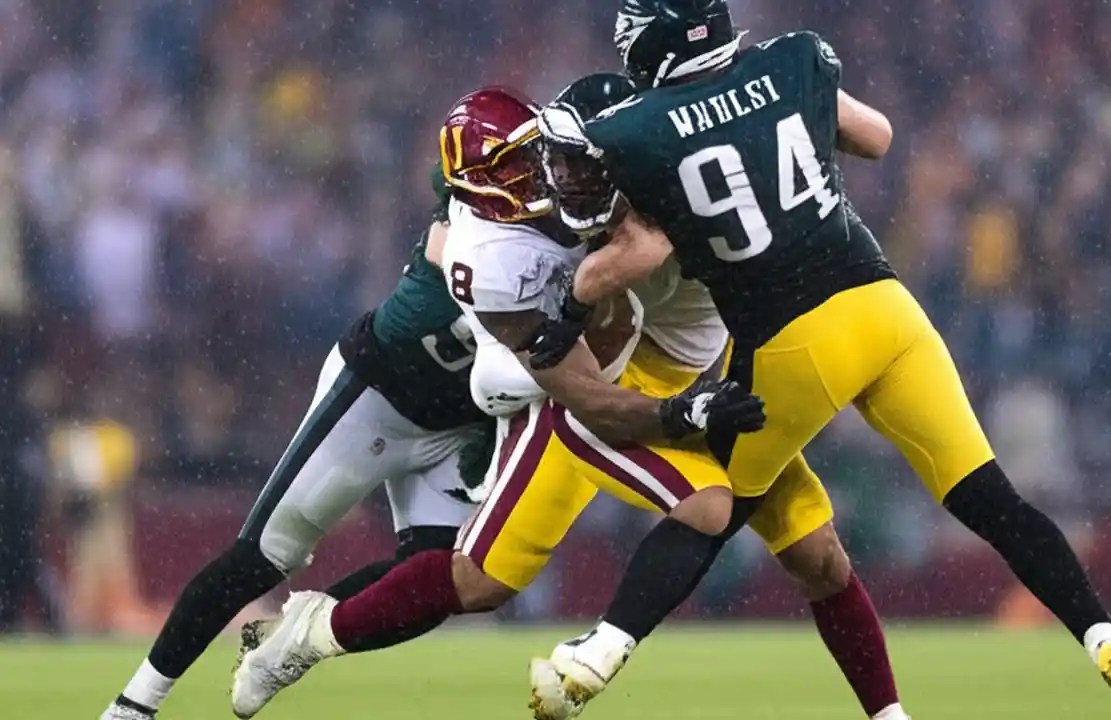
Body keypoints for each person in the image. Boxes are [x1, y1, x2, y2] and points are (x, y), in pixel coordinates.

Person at [524, 3, 1111, 720]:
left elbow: (636, 249)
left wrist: (568, 308)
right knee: (992, 499)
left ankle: (596, 656)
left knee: (710, 510)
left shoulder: (635, 129)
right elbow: (876, 136)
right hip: (884, 307)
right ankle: (1102, 636)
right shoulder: (794, 60)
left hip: (791, 337)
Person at [231, 79, 910, 720]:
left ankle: (890, 714)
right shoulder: (503, 246)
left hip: (705, 374)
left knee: (817, 555)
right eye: (565, 162)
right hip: (597, 395)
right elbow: (581, 387)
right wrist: (678, 406)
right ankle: (318, 636)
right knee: (509, 571)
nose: (571, 180)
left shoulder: (680, 168)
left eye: (591, 163)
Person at [101, 195, 496, 719]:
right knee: (265, 554)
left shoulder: (581, 245)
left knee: (439, 579)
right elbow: (455, 193)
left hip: (459, 424)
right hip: (379, 394)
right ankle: (133, 706)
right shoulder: (479, 213)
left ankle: (292, 639)